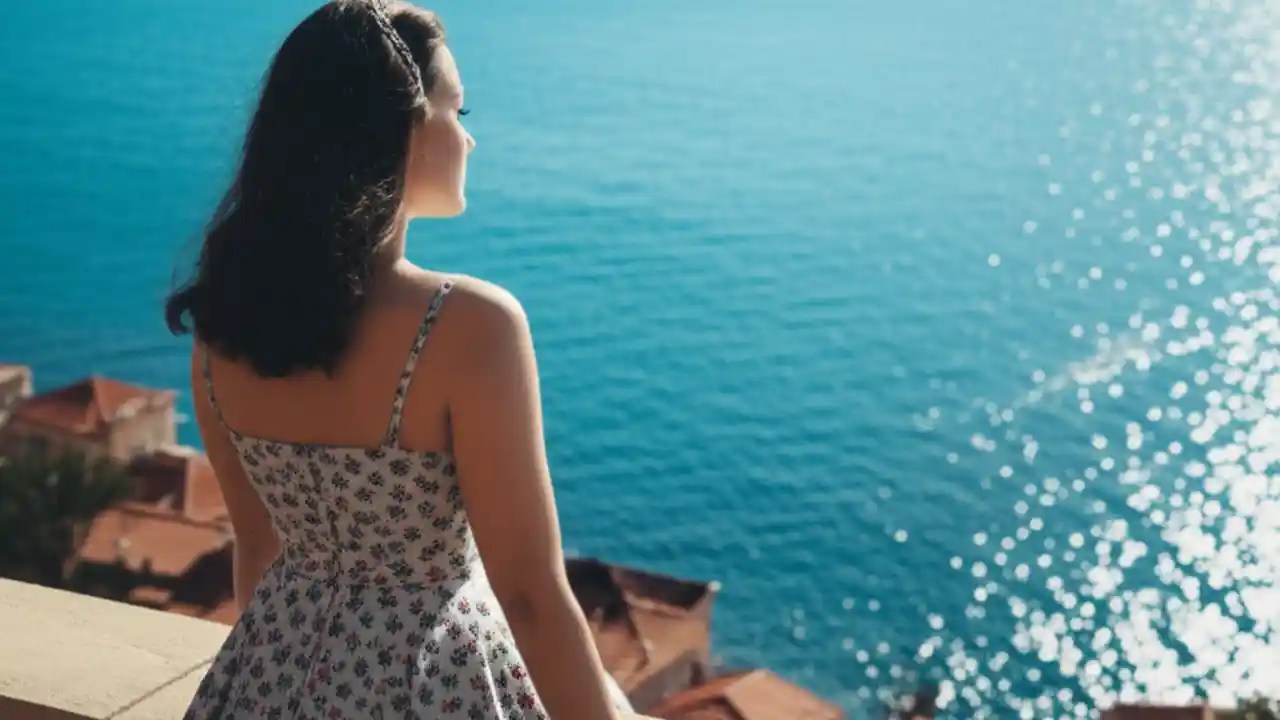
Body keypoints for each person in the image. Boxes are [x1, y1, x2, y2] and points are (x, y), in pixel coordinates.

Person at [165, 2, 622, 718]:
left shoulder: (223, 330)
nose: (469, 141)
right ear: (399, 127)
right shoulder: (468, 327)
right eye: (457, 111)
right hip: (433, 683)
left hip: (266, 676)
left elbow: (258, 555)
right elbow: (530, 595)